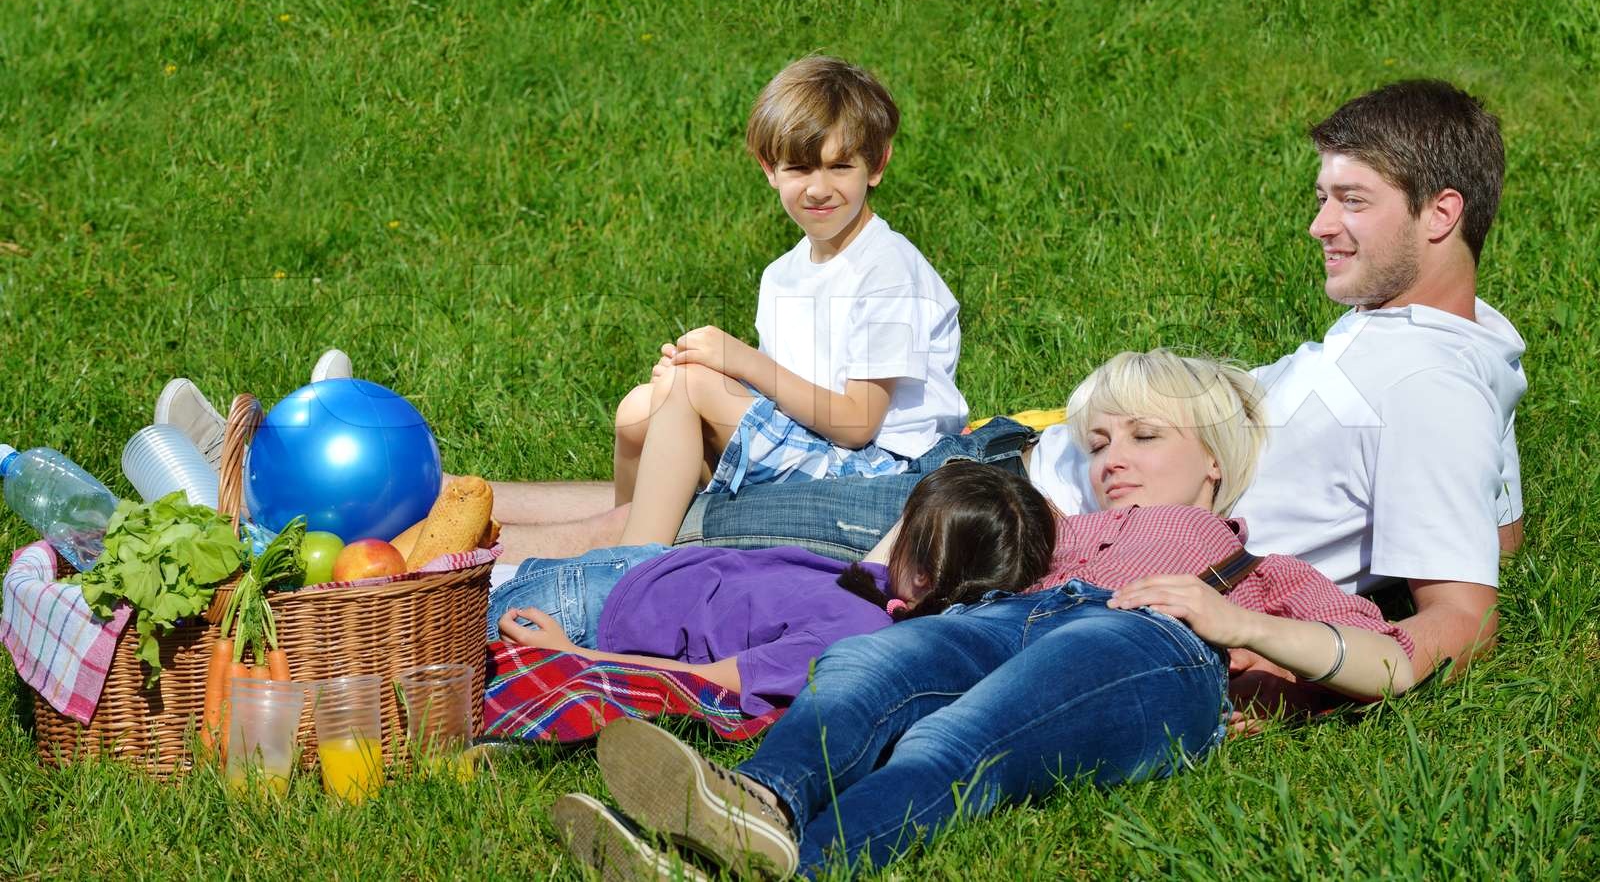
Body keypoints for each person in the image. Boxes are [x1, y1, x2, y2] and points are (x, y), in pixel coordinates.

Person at [496, 78, 1525, 697]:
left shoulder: (1431, 383)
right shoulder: (1456, 342)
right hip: (1009, 457)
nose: (1316, 225)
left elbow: (1460, 613)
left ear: (1440, 215)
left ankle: (430, 557)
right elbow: (1492, 529)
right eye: (1320, 196)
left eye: (1348, 200)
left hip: (996, 525)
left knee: (674, 533)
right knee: (691, 483)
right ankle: (458, 503)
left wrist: (1301, 642)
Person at [551, 351, 1423, 878]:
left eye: (1145, 438)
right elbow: (894, 575)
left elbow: (1389, 662)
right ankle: (755, 804)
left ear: (1215, 462)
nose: (1114, 458)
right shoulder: (1052, 531)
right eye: (1100, 443)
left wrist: (1243, 627)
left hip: (1151, 641)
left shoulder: (1256, 568)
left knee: (958, 743)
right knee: (864, 670)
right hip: (1009, 622)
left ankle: (794, 866)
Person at [607, 55, 970, 549]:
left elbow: (857, 424)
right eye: (799, 168)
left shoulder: (887, 269)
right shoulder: (783, 274)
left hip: (884, 475)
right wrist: (711, 373)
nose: (819, 188)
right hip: (823, 446)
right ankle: (620, 535)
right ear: (769, 169)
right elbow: (791, 397)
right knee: (640, 408)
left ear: (877, 165)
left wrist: (740, 364)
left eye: (840, 166)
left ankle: (633, 564)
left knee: (686, 387)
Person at [488, 460, 1053, 717]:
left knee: (415, 621)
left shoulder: (856, 639)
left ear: (927, 576)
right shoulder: (884, 592)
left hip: (593, 613)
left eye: (908, 524)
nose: (896, 527)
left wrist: (574, 658)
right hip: (637, 573)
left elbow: (704, 682)